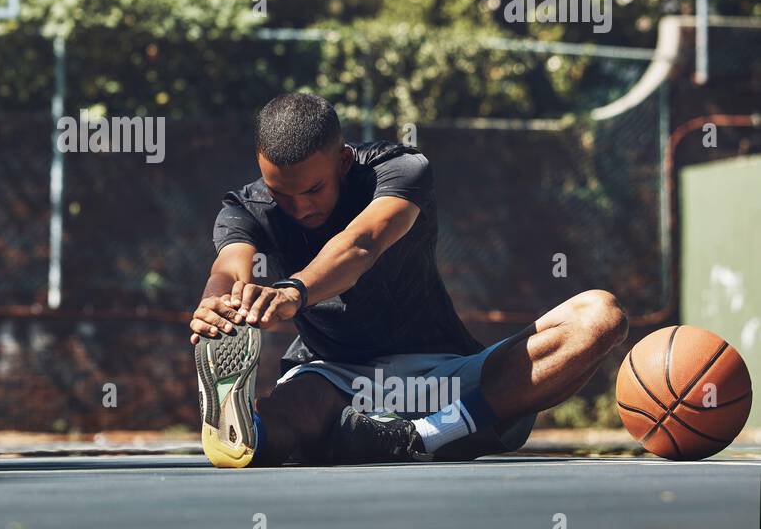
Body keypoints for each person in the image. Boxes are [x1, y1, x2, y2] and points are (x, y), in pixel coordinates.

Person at [192, 93, 628, 467]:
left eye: (312, 191)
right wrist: (217, 305)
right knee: (280, 422)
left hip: (445, 376)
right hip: (337, 378)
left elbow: (361, 243)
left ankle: (423, 437)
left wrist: (296, 290)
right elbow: (229, 268)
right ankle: (254, 434)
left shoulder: (398, 168)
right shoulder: (247, 207)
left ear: (343, 160)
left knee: (599, 316)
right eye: (281, 194)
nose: (298, 208)